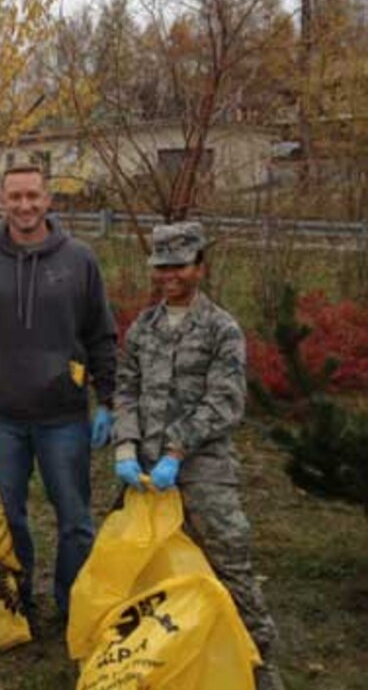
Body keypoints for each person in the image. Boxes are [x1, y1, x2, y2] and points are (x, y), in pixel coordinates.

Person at [112, 222, 284, 690]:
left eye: (179, 265)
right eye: (161, 266)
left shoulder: (220, 328)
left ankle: (258, 660)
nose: (170, 275)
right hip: (144, 471)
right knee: (143, 567)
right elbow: (124, 389)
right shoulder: (143, 328)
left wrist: (176, 448)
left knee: (228, 560)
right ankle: (158, 659)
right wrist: (126, 443)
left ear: (199, 267)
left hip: (203, 469)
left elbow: (225, 402)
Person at [0, 163, 116, 620]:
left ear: (49, 200)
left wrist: (109, 400)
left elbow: (101, 335)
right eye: (15, 197)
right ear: (1, 202)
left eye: (33, 196)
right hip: (0, 415)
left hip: (64, 414)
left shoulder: (79, 259)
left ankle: (72, 605)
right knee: (6, 517)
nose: (24, 206)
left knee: (76, 520)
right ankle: (15, 599)